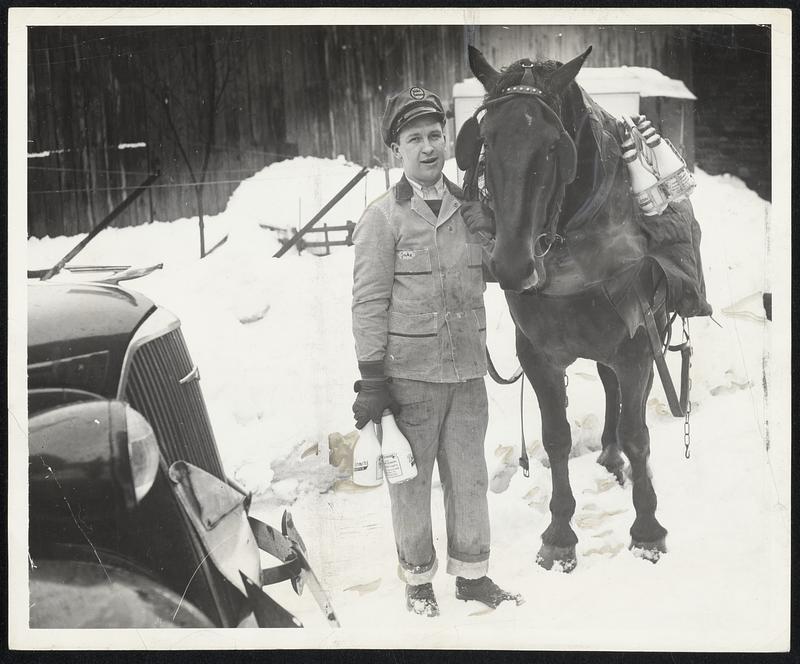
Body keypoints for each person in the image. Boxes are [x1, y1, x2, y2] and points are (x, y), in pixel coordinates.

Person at [350, 85, 522, 617]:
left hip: (468, 375)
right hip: (410, 380)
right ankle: (419, 582)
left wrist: (492, 237)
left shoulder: (471, 210)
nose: (428, 147)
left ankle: (472, 577)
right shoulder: (383, 218)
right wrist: (372, 379)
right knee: (411, 482)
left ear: (446, 140)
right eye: (415, 138)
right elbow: (368, 303)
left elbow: (503, 275)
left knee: (469, 478)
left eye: (435, 135)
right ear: (395, 151)